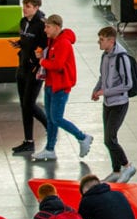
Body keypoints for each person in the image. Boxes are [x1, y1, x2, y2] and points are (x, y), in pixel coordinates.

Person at [31, 15, 93, 162]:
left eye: (48, 27)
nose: (45, 30)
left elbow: (57, 65)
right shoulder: (52, 41)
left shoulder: (63, 43)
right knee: (51, 119)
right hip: (51, 84)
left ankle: (82, 137)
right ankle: (50, 149)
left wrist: (42, 61)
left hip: (61, 86)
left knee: (56, 118)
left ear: (57, 27)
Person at [92, 27, 136, 184]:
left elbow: (128, 84)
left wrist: (106, 92)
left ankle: (127, 166)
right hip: (107, 103)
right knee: (108, 139)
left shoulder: (121, 58)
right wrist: (96, 90)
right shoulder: (105, 56)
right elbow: (102, 76)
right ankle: (116, 171)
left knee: (110, 139)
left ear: (111, 40)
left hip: (119, 104)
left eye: (102, 39)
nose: (99, 42)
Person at [11, 0, 48, 155]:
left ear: (36, 7)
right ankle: (28, 141)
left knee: (29, 104)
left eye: (28, 6)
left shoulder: (42, 25)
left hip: (34, 69)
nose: (24, 9)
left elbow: (45, 46)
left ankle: (49, 125)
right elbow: (26, 40)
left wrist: (39, 59)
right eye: (24, 6)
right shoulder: (23, 21)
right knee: (24, 106)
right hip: (22, 66)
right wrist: (19, 43)